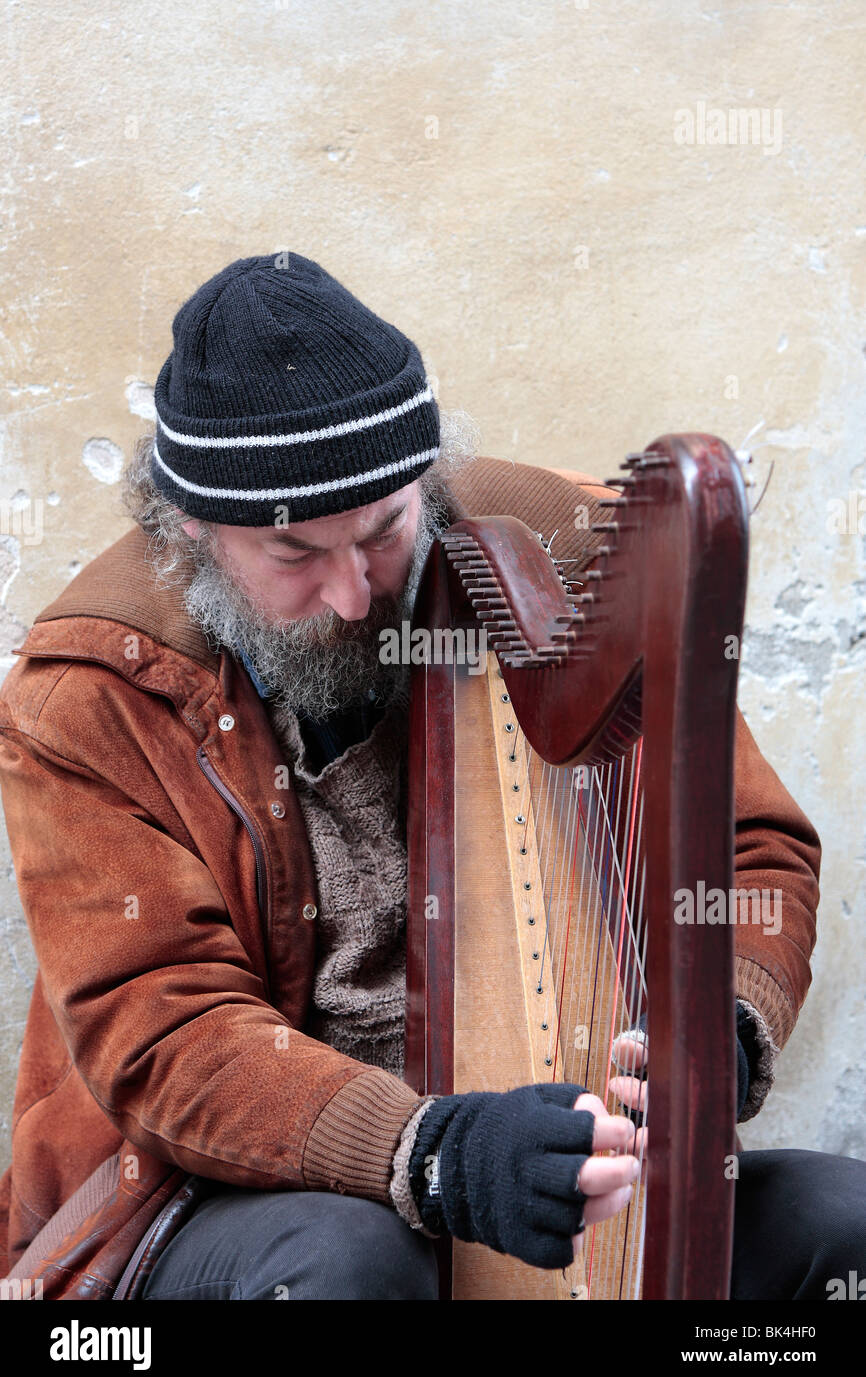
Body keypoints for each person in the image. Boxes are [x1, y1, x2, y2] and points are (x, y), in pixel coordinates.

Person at [0, 253, 862, 1301]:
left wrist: (723, 1020)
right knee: (354, 1267)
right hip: (225, 1193)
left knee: (840, 1227)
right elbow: (164, 1029)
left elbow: (751, 845)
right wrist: (432, 1148)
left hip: (552, 1161)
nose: (355, 595)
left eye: (381, 531)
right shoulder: (90, 691)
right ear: (190, 528)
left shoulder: (556, 550)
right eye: (294, 559)